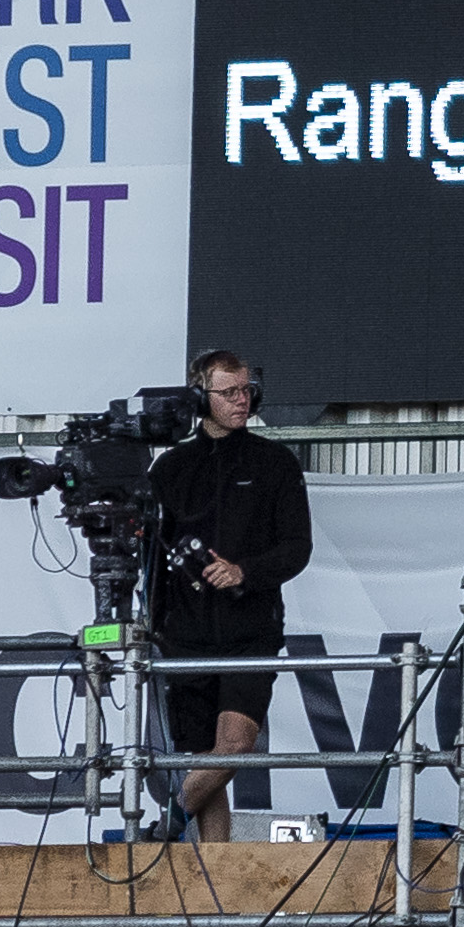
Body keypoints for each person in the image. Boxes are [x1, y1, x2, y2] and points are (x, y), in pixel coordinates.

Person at [142, 350, 310, 842]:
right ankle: (215, 878)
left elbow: (297, 548)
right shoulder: (170, 468)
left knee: (235, 746)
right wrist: (153, 626)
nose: (243, 400)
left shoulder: (274, 463)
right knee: (205, 760)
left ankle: (167, 825)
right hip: (184, 635)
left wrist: (244, 572)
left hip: (250, 631)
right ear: (200, 397)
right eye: (230, 392)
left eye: (248, 390)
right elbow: (151, 559)